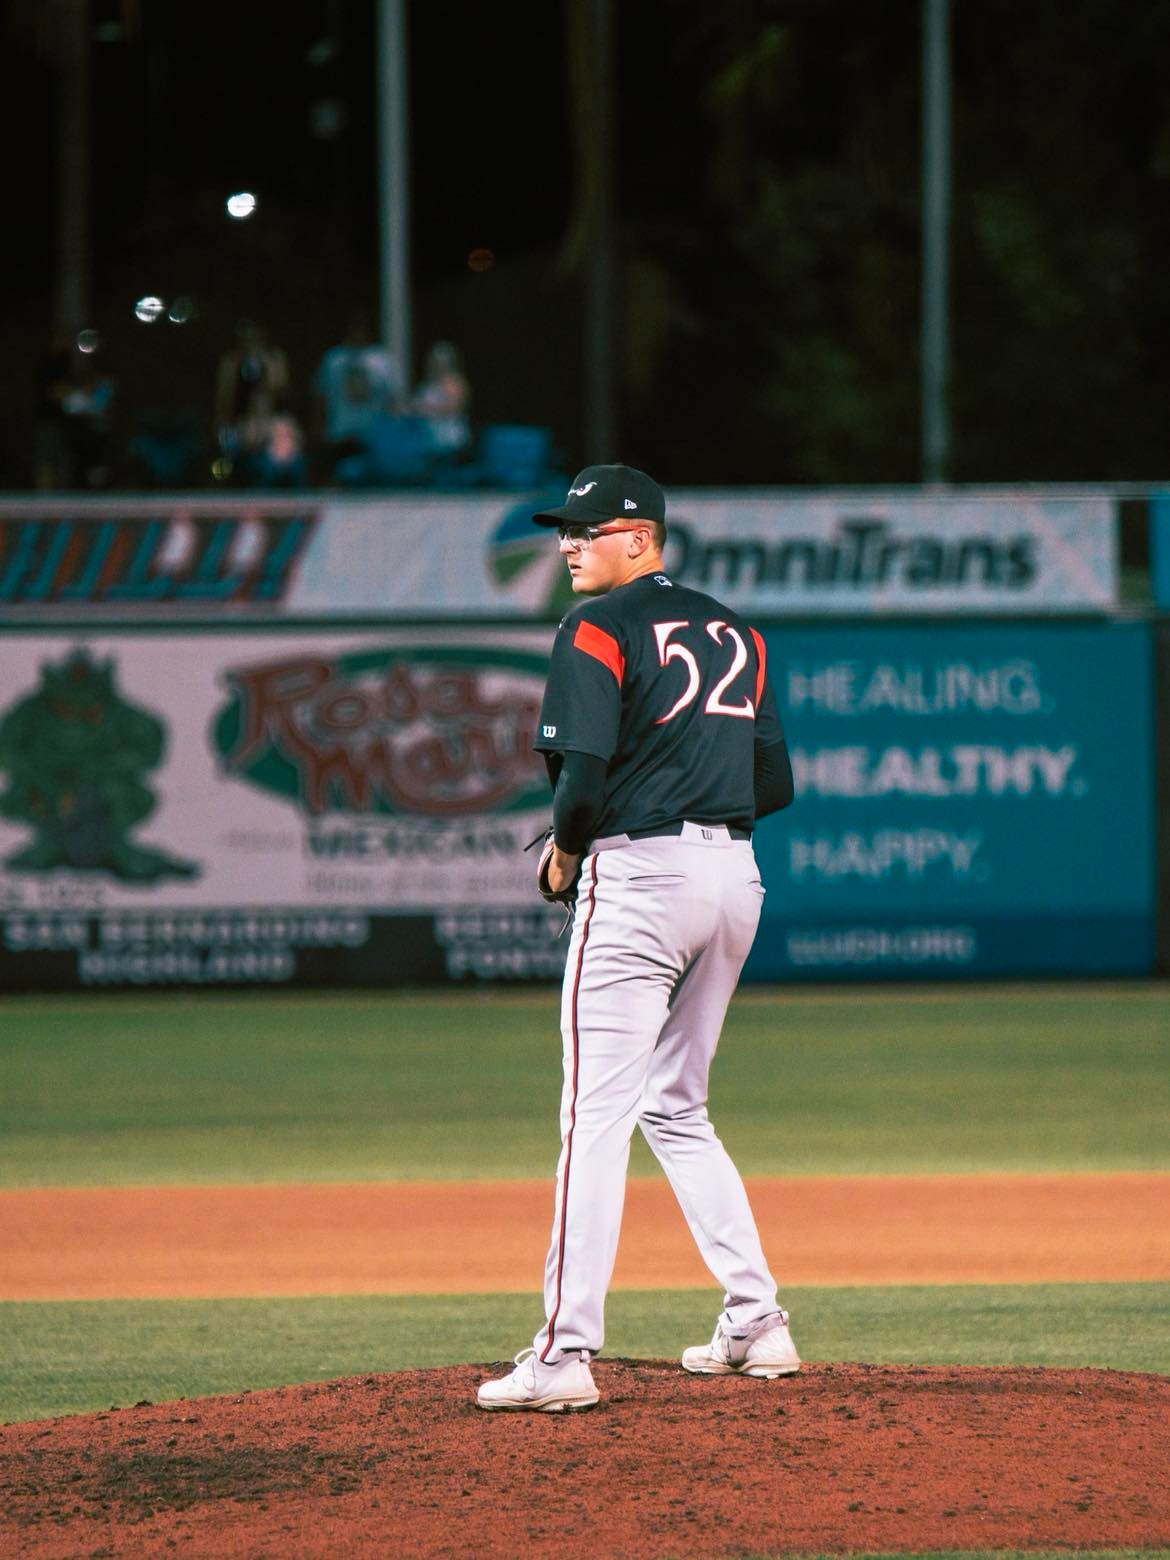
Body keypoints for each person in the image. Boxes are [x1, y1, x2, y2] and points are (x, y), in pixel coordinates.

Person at [476, 464, 798, 1414]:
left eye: (586, 530)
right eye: (563, 531)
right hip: (735, 879)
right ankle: (757, 1321)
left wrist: (567, 852)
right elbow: (774, 784)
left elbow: (579, 783)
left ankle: (564, 1354)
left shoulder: (597, 628)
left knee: (595, 1117)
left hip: (641, 881)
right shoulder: (738, 630)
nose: (568, 545)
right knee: (676, 1105)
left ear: (641, 538)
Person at [311, 312, 403, 475]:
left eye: (362, 330)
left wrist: (391, 433)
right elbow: (321, 395)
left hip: (372, 432)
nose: (358, 334)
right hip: (340, 430)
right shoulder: (334, 359)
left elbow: (393, 400)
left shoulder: (381, 360)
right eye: (355, 330)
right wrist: (320, 426)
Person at [213, 320, 290, 477]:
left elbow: (279, 388)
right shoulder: (232, 361)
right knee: (233, 460)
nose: (251, 343)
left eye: (255, 338)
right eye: (246, 339)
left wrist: (264, 362)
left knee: (277, 460)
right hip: (238, 422)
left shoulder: (274, 358)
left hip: (269, 421)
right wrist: (220, 421)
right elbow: (225, 396)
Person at [408, 340, 471, 466]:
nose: (438, 366)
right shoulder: (426, 385)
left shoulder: (454, 383)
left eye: (442, 363)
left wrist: (424, 408)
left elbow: (455, 407)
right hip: (427, 437)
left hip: (449, 438)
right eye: (435, 362)